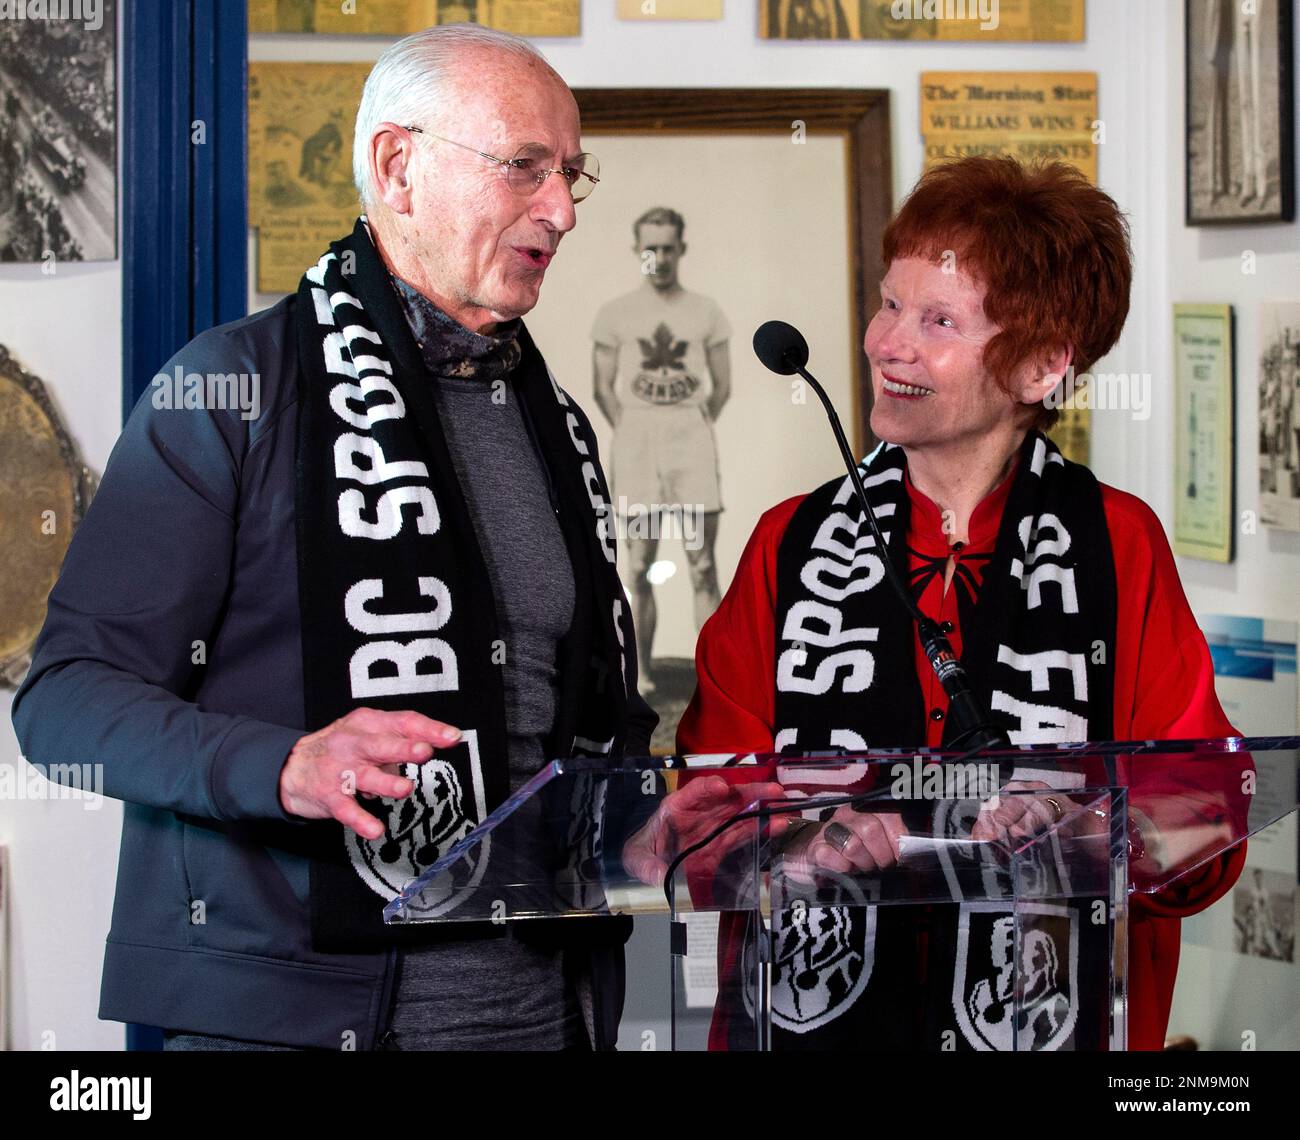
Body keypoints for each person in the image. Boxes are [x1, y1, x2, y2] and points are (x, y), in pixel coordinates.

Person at [13, 24, 656, 1052]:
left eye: (571, 173)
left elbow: (583, 718)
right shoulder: (228, 395)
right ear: (398, 166)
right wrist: (285, 768)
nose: (563, 210)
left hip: (544, 1018)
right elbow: (64, 706)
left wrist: (656, 804)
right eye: (524, 166)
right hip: (285, 1024)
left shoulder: (556, 420)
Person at [625, 156, 1247, 1050]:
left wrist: (1096, 831)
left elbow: (1205, 802)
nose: (886, 342)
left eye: (939, 320)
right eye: (889, 304)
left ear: (1041, 365)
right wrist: (798, 840)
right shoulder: (787, 542)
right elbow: (706, 809)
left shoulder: (1119, 541)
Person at [591, 207, 731, 692]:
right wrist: (636, 428)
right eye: (651, 248)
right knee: (636, 566)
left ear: (682, 250)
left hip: (689, 439)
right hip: (637, 444)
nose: (660, 258)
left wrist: (684, 423)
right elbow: (603, 390)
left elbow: (721, 387)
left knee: (703, 565)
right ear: (638, 252)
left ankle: (715, 680)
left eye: (668, 248)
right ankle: (640, 676)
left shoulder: (705, 311)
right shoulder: (616, 314)